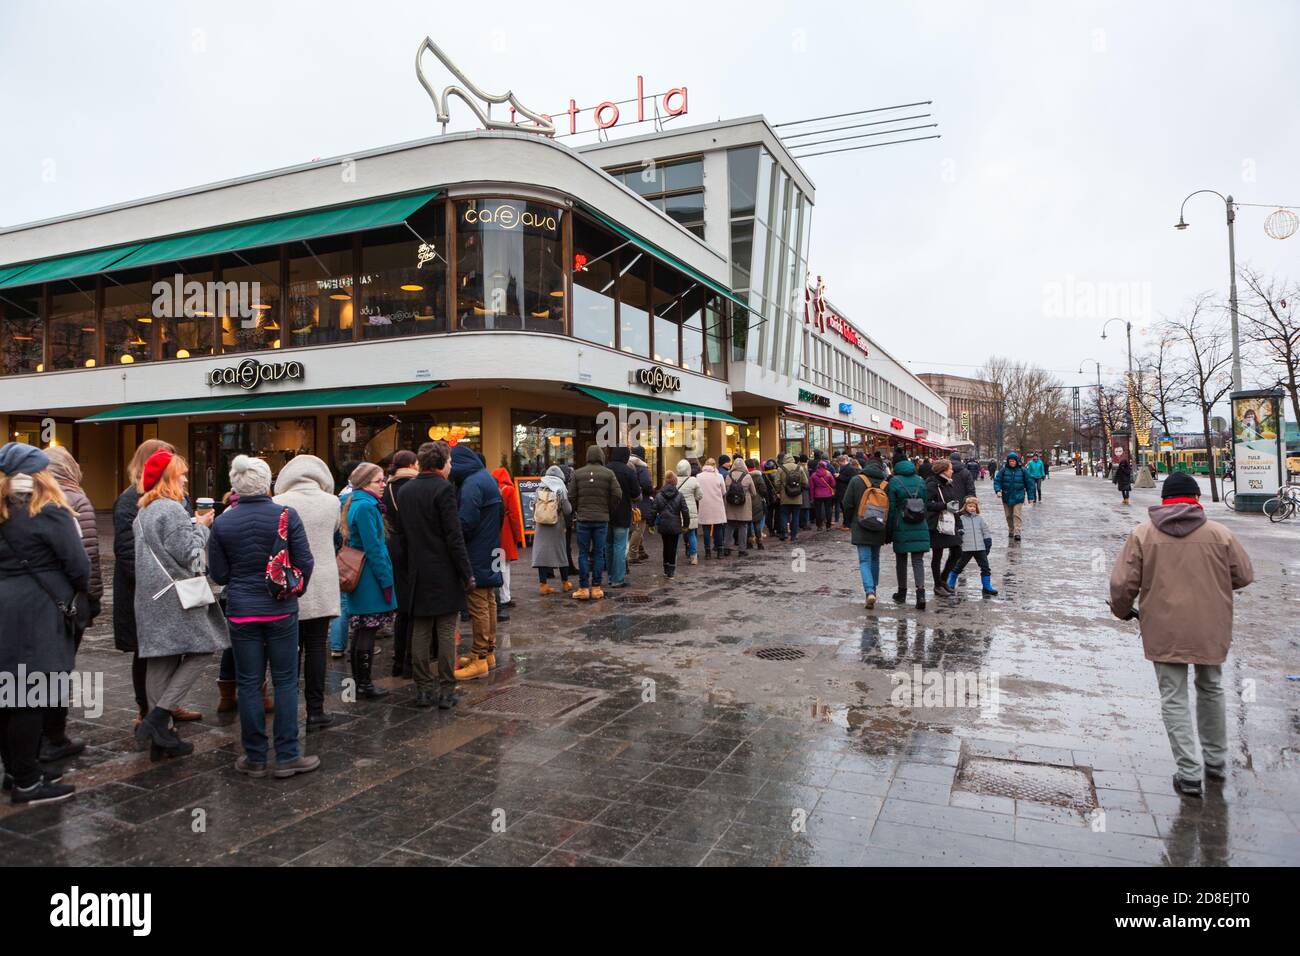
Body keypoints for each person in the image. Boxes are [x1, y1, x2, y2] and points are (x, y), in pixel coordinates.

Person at [1108, 472, 1254, 798]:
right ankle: (1215, 760)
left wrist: (1121, 610)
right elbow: (1244, 575)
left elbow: (1121, 585)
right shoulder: (1220, 534)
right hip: (1210, 626)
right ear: (1197, 499)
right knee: (1211, 687)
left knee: (1173, 697)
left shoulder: (1143, 534)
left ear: (1164, 501)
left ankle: (1188, 774)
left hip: (1163, 627)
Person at [210, 455, 319, 777]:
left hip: (242, 611)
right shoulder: (286, 514)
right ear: (268, 481)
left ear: (235, 484)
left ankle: (255, 756)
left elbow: (218, 573)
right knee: (285, 680)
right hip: (280, 610)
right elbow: (306, 561)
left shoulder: (223, 521)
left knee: (248, 683)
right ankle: (287, 755)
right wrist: (294, 590)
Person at [0, 443, 87, 804]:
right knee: (30, 697)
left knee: (8, 693)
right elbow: (78, 565)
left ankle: (19, 770)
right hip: (37, 612)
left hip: (5, 609)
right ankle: (28, 783)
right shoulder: (49, 511)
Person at [132, 450, 228, 761]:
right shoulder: (171, 510)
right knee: (203, 648)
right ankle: (158, 717)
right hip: (177, 598)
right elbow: (194, 557)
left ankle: (164, 736)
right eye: (182, 473)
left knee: (160, 660)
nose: (186, 478)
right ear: (168, 478)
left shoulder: (144, 510)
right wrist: (201, 527)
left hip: (152, 597)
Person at [397, 442, 473, 709]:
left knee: (419, 630)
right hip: (444, 571)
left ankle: (422, 688)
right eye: (449, 461)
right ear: (440, 463)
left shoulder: (405, 492)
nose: (451, 466)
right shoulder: (444, 490)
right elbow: (454, 537)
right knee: (445, 630)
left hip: (417, 570)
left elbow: (403, 536)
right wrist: (467, 573)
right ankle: (447, 689)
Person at [113, 439, 182, 727]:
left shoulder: (171, 496)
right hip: (142, 593)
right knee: (145, 652)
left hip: (168, 590)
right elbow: (128, 552)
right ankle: (145, 710)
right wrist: (158, 581)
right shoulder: (130, 500)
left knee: (172, 649)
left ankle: (167, 705)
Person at [40, 446, 101, 762]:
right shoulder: (75, 499)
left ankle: (35, 736)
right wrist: (93, 598)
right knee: (60, 667)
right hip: (67, 602)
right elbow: (87, 555)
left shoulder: (27, 501)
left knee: (34, 669)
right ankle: (54, 735)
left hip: (34, 603)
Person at [272, 454, 341, 730]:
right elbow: (335, 532)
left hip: (290, 582)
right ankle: (316, 711)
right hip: (322, 581)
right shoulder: (332, 502)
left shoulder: (278, 503)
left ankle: (288, 711)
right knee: (316, 648)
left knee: (290, 650)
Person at [340, 462, 397, 697]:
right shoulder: (366, 507)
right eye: (379, 481)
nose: (384, 485)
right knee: (367, 631)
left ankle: (361, 682)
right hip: (369, 578)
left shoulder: (358, 502)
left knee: (362, 629)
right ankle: (364, 684)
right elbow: (374, 548)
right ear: (365, 483)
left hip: (362, 575)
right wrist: (386, 580)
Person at [450, 445, 504, 679]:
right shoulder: (486, 478)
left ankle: (480, 658)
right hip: (490, 547)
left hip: (477, 552)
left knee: (479, 603)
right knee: (489, 600)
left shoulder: (472, 483)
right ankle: (487, 652)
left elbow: (466, 522)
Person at [382, 450, 418, 678]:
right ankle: (410, 660)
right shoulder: (415, 487)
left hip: (393, 547)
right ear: (412, 465)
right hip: (414, 547)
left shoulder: (386, 488)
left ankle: (398, 658)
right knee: (415, 608)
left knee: (402, 608)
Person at [567, 445, 620, 600]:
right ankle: (596, 588)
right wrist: (608, 508)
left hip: (583, 519)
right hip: (602, 519)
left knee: (583, 553)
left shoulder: (577, 474)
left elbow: (571, 496)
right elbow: (618, 494)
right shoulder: (608, 474)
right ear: (601, 456)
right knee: (598, 553)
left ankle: (583, 588)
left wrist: (578, 509)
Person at [841, 456, 889, 608]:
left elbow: (847, 503)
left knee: (864, 560)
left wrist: (848, 522)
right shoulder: (886, 483)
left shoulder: (856, 480)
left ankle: (869, 592)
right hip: (880, 525)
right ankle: (873, 589)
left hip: (860, 524)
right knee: (875, 559)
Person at [887, 456, 931, 610]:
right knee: (918, 561)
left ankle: (902, 592)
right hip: (919, 523)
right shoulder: (920, 480)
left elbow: (891, 508)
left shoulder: (894, 482)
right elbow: (924, 501)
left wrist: (889, 529)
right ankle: (921, 594)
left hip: (902, 524)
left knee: (901, 560)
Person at [946, 497, 998, 595]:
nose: (972, 508)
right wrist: (958, 538)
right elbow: (956, 530)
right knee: (958, 567)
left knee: (985, 567)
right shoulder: (961, 519)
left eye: (974, 506)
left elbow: (985, 530)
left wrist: (987, 541)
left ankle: (987, 587)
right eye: (970, 506)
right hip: (966, 548)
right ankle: (950, 584)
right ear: (965, 507)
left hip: (980, 547)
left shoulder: (979, 519)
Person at [533, 464, 573, 591]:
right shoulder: (561, 488)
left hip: (540, 525)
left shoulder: (539, 486)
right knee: (560, 552)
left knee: (541, 553)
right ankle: (565, 582)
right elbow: (567, 510)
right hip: (557, 525)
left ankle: (543, 585)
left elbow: (534, 505)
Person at [925, 460, 963, 596]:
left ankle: (943, 580)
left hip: (950, 522)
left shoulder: (948, 483)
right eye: (950, 468)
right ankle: (937, 585)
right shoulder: (932, 484)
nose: (952, 470)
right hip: (937, 524)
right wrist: (944, 505)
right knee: (937, 555)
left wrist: (959, 524)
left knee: (957, 551)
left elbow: (953, 505)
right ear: (943, 470)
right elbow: (927, 504)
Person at [491, 466, 525, 617]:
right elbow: (515, 515)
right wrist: (519, 536)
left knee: (496, 564)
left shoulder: (490, 488)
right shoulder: (509, 490)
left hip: (492, 530)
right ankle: (505, 597)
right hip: (505, 531)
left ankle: (496, 597)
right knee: (505, 566)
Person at [605, 447, 639, 587]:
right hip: (623, 513)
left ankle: (610, 576)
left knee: (608, 546)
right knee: (619, 545)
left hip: (606, 513)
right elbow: (636, 493)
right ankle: (618, 579)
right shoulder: (628, 471)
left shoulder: (605, 470)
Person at [648, 471, 691, 578]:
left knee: (666, 545)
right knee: (673, 546)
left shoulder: (659, 495)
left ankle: (666, 567)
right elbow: (685, 511)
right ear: (675, 481)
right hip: (675, 524)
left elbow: (653, 511)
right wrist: (686, 524)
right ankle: (671, 569)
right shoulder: (679, 495)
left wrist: (651, 524)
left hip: (663, 524)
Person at [993, 451, 1035, 541]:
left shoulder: (1023, 470)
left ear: (1016, 461)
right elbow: (997, 481)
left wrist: (1031, 497)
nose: (1012, 462)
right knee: (1008, 515)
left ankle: (1017, 532)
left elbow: (1029, 484)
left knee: (1017, 514)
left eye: (1013, 461)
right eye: (1010, 461)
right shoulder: (1003, 470)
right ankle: (1011, 529)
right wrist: (998, 490)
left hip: (1019, 496)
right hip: (1006, 496)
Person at [723, 455, 756, 556]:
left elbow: (725, 491)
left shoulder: (728, 476)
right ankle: (742, 549)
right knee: (743, 527)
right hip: (743, 506)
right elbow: (754, 493)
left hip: (730, 505)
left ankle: (727, 548)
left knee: (729, 526)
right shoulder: (747, 476)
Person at [695, 457, 727, 558]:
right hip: (717, 505)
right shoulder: (719, 476)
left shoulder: (699, 476)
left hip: (704, 505)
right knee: (718, 528)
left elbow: (697, 492)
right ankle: (720, 551)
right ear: (714, 465)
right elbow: (724, 491)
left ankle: (707, 552)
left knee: (706, 528)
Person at [774, 454, 809, 543]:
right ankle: (794, 535)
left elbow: (777, 483)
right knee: (796, 516)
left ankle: (785, 533)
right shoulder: (799, 468)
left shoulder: (780, 469)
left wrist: (779, 492)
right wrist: (799, 489)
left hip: (785, 497)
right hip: (797, 497)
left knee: (784, 515)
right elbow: (805, 482)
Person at [628, 445, 654, 563]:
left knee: (636, 526)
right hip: (641, 501)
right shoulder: (642, 467)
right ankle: (632, 555)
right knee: (639, 527)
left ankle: (641, 550)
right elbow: (647, 485)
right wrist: (650, 492)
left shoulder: (627, 464)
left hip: (629, 501)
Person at [675, 459, 703, 564]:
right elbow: (700, 496)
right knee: (691, 534)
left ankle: (674, 557)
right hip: (690, 510)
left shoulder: (674, 480)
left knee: (677, 535)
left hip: (677, 510)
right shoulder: (693, 480)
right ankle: (693, 557)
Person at [746, 458, 770, 550]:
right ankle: (759, 542)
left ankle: (749, 543)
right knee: (756, 522)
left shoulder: (744, 476)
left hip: (746, 502)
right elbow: (763, 489)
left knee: (748, 523)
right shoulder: (758, 476)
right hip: (757, 501)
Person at [809, 459, 836, 530]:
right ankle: (828, 526)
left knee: (818, 510)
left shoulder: (813, 475)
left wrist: (811, 497)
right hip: (828, 494)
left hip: (817, 494)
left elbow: (811, 487)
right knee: (828, 510)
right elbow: (833, 484)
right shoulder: (828, 473)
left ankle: (819, 526)